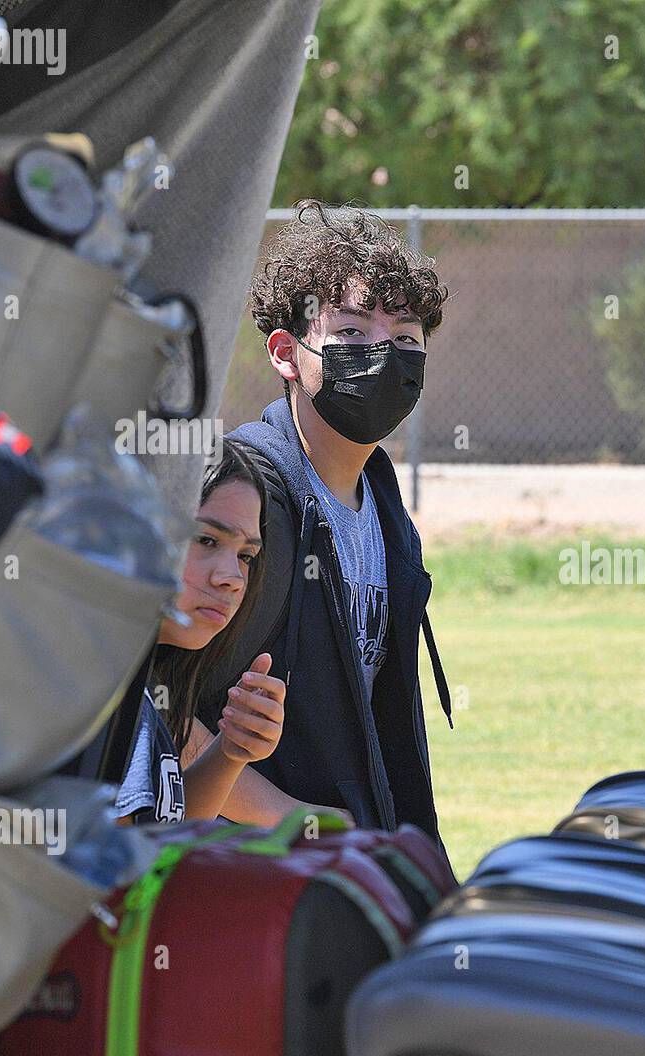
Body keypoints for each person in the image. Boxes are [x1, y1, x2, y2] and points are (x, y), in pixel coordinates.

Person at [197, 200, 452, 838]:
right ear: (286, 353)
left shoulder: (384, 504)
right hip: (247, 869)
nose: (382, 354)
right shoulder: (245, 493)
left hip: (351, 852)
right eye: (352, 334)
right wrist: (292, 820)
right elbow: (152, 701)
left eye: (405, 339)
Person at [116, 439, 351, 827]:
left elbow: (170, 832)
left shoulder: (141, 689)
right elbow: (126, 878)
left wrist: (230, 752)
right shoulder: (104, 697)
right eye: (206, 540)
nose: (232, 579)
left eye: (246, 556)